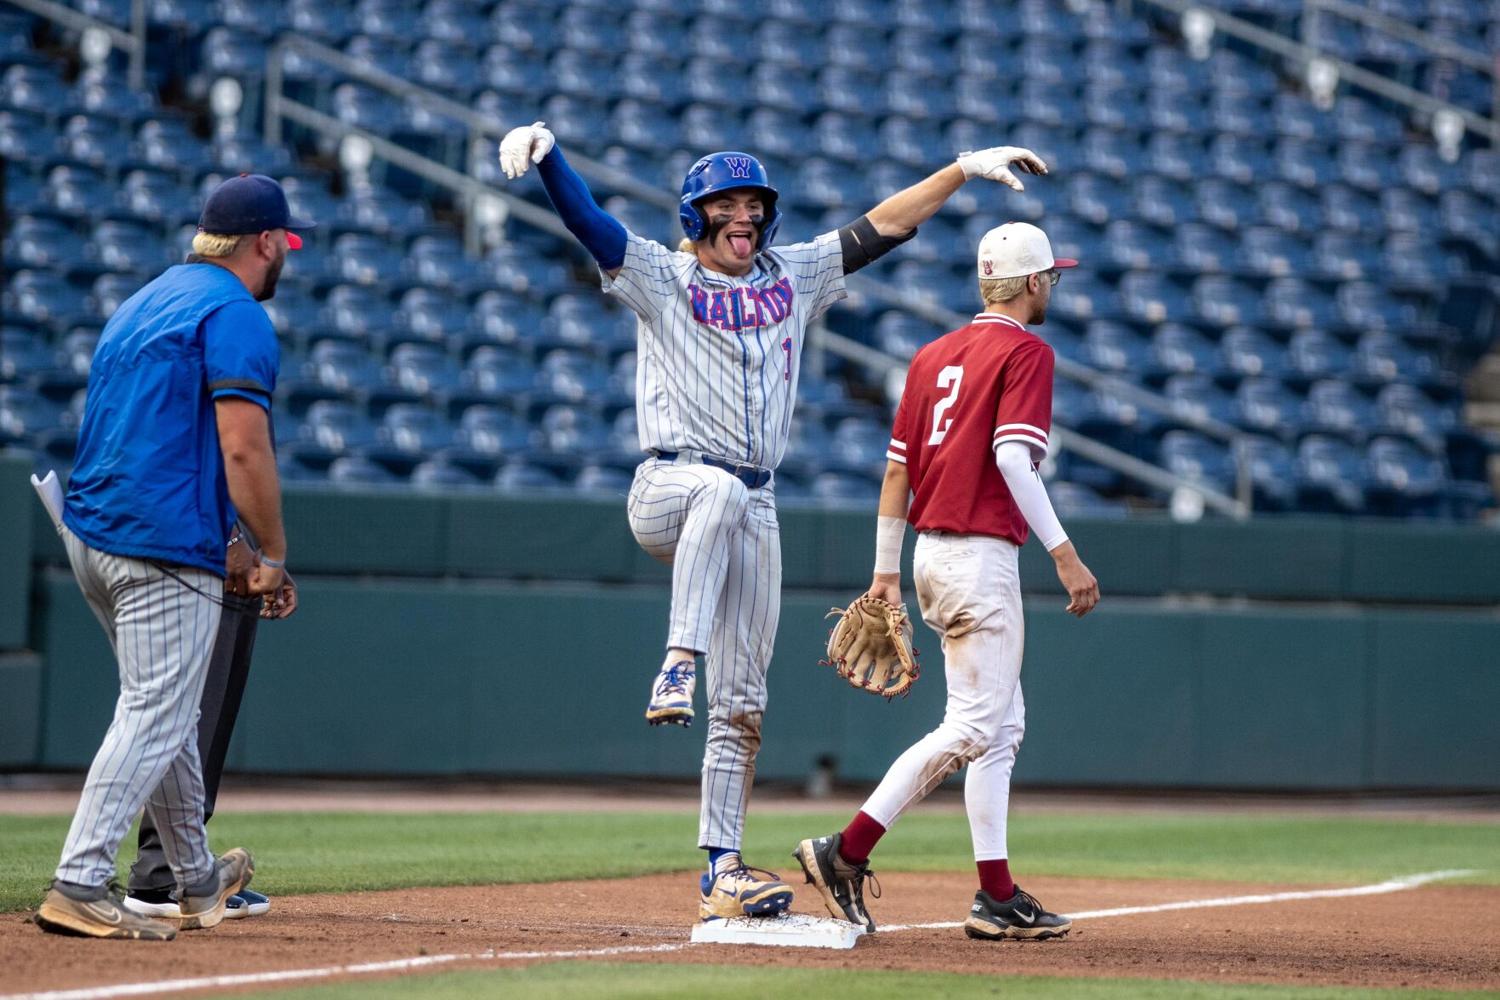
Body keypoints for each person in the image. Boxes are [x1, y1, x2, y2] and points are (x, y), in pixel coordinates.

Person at [499, 121, 1049, 922]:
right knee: (717, 492)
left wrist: (959, 169)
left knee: (746, 700)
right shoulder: (662, 275)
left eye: (753, 205)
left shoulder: (791, 275)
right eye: (725, 205)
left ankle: (722, 867)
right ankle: (676, 659)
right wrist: (552, 165)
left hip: (755, 503)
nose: (743, 218)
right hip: (668, 488)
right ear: (695, 217)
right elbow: (593, 226)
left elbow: (883, 226)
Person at [793, 222, 1100, 941]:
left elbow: (898, 470)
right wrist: (1064, 554)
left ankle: (996, 895)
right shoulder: (1026, 351)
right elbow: (1015, 460)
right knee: (970, 727)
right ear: (1031, 283)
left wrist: (883, 575)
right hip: (980, 555)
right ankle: (846, 850)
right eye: (1050, 275)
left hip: (930, 553)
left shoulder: (932, 355)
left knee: (1000, 727)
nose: (1053, 284)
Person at [32, 173, 310, 940]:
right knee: (155, 711)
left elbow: (149, 434)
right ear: (263, 244)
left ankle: (195, 878)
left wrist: (224, 543)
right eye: (285, 244)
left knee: (171, 710)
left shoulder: (145, 300)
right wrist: (272, 552)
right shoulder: (236, 312)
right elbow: (242, 448)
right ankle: (80, 879)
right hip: (156, 550)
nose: (286, 257)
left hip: (92, 531)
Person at [123, 519, 297, 923]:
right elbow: (224, 458)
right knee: (186, 719)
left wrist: (261, 551)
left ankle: (183, 870)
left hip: (216, 541)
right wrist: (234, 540)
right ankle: (162, 877)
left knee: (209, 720)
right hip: (190, 547)